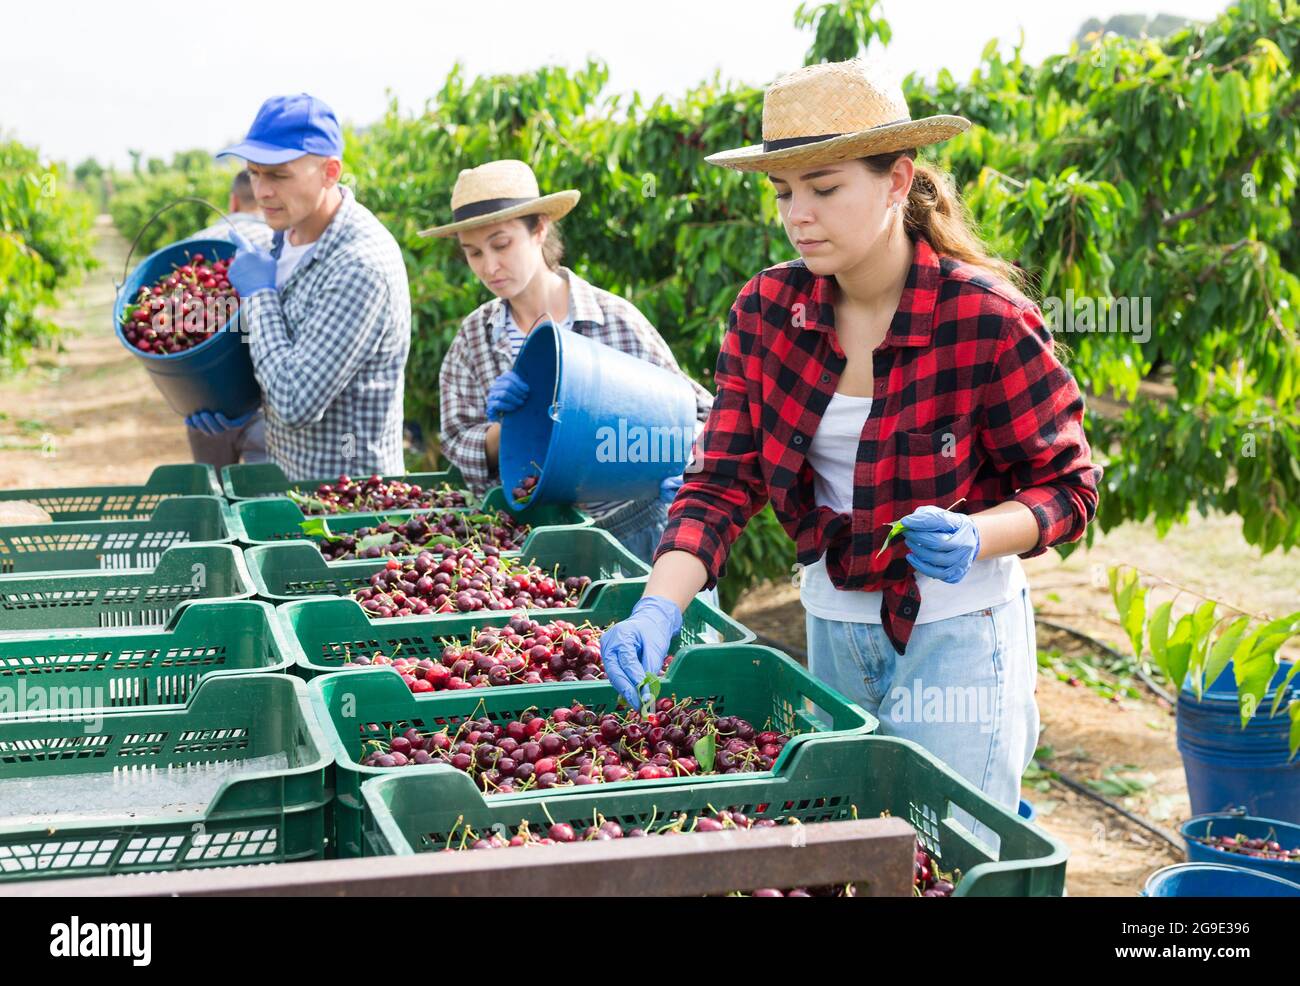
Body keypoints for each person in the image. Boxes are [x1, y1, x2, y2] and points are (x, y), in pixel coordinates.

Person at [601, 59, 1102, 821]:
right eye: (783, 193)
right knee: (858, 843)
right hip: (835, 625)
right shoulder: (767, 312)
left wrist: (977, 534)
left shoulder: (983, 318)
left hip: (956, 629)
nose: (798, 214)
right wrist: (658, 606)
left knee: (947, 843)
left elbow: (1068, 486)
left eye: (824, 188)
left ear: (898, 180)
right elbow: (721, 482)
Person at [427, 159, 714, 567]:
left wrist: (691, 462)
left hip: (635, 530)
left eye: (501, 244)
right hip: (537, 547)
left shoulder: (611, 318)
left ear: (539, 229)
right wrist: (505, 431)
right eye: (473, 253)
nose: (489, 266)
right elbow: (456, 443)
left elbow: (700, 411)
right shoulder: (475, 339)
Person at [186, 93, 411, 480]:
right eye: (255, 173)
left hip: (348, 507)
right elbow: (284, 356)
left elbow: (294, 400)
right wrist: (233, 400)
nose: (261, 192)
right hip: (291, 485)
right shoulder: (284, 238)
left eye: (278, 175)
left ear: (330, 172)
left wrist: (259, 295)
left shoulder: (360, 264)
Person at [183, 169, 273, 468]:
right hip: (267, 400)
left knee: (216, 493)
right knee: (262, 497)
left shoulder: (195, 245)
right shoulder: (279, 244)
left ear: (232, 201)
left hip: (205, 402)